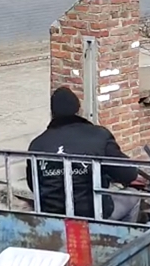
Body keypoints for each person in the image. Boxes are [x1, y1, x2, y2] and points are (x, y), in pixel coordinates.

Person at [26, 87, 140, 222]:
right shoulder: (99, 136)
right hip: (94, 216)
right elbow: (129, 174)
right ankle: (119, 235)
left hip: (52, 219)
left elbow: (34, 185)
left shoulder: (37, 144)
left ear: (52, 114)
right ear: (79, 111)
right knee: (133, 195)